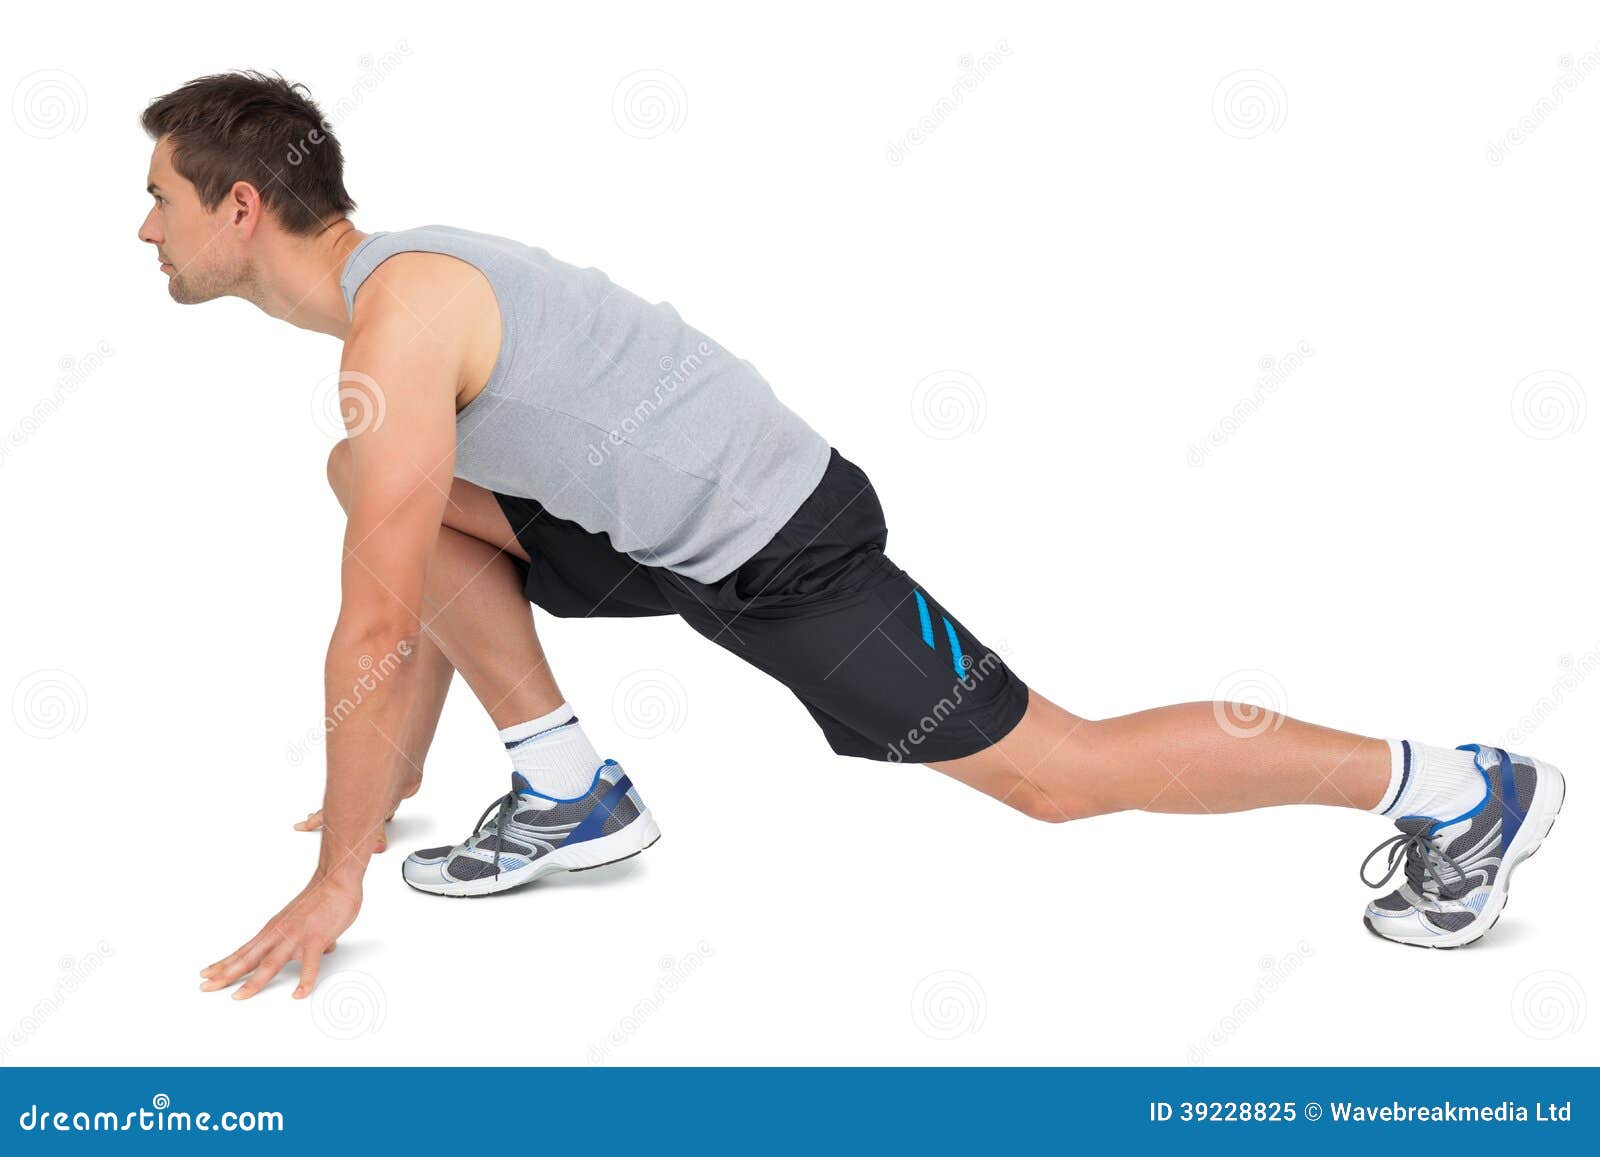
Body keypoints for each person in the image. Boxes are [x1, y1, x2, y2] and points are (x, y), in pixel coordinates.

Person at [137, 73, 1564, 1002]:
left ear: (240, 204)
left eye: (159, 195)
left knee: (1053, 774)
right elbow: (404, 573)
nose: (145, 228)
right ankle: (569, 787)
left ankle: (1457, 787)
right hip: (665, 533)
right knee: (370, 483)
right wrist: (380, 790)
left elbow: (378, 619)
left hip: (786, 545)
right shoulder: (395, 317)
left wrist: (340, 874)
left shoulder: (406, 312)